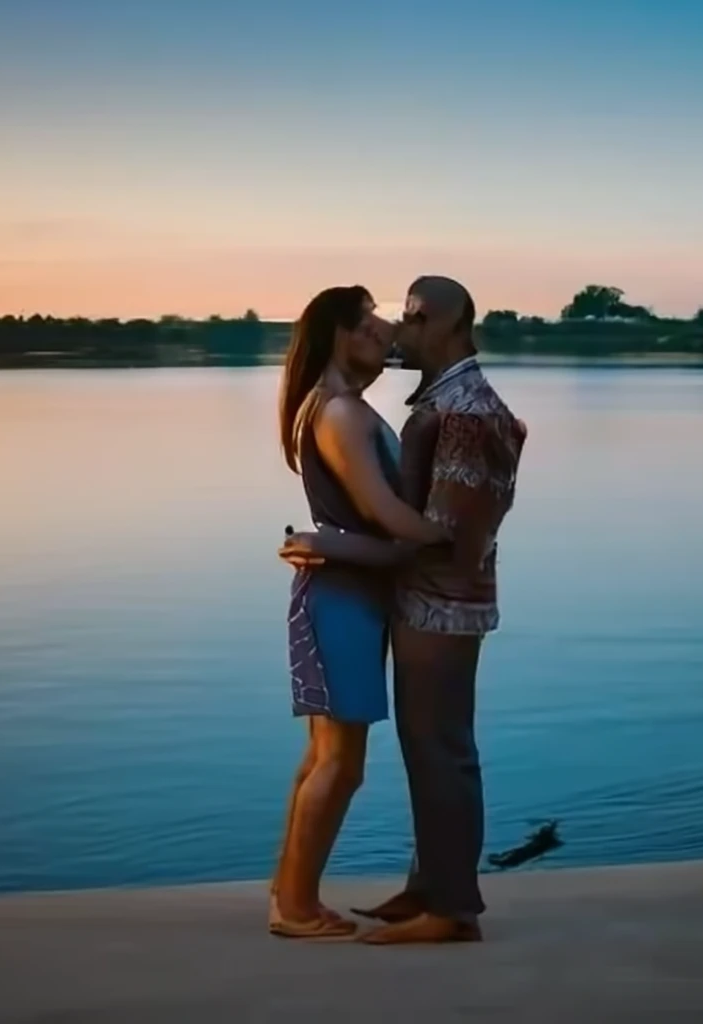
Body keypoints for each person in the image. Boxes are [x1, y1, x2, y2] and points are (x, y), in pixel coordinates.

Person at [281, 275, 526, 945]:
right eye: (389, 319)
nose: (396, 331)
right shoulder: (433, 404)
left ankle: (448, 909)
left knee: (439, 750)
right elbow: (421, 527)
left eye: (411, 319)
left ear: (446, 324)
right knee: (421, 750)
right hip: (417, 603)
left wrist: (332, 544)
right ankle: (427, 889)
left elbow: (445, 536)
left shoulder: (464, 410)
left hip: (442, 607)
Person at [270, 284, 450, 939]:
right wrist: (446, 536)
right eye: (374, 330)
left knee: (325, 757)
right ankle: (294, 908)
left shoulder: (340, 406)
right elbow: (384, 513)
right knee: (339, 763)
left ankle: (288, 890)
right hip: (340, 604)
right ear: (342, 335)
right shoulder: (341, 412)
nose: (386, 339)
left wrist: (336, 542)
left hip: (349, 598)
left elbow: (367, 525)